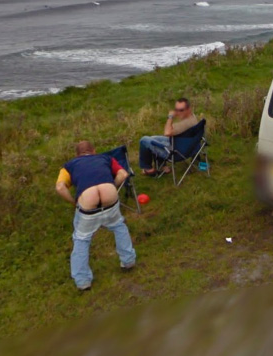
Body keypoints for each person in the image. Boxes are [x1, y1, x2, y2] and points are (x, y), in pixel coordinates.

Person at [56, 140, 137, 291]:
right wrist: (112, 186)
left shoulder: (68, 166)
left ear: (77, 154)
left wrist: (74, 202)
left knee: (81, 239)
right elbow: (123, 174)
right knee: (118, 225)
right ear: (93, 151)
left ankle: (83, 281)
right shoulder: (105, 158)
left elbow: (60, 187)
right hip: (110, 199)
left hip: (87, 205)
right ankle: (128, 261)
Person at [139, 97, 197, 176]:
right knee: (153, 138)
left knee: (144, 140)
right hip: (185, 147)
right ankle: (162, 166)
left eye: (181, 110)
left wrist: (170, 117)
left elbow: (166, 132)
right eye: (176, 110)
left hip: (175, 153)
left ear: (188, 109)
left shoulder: (185, 124)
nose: (178, 112)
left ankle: (148, 169)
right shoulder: (193, 118)